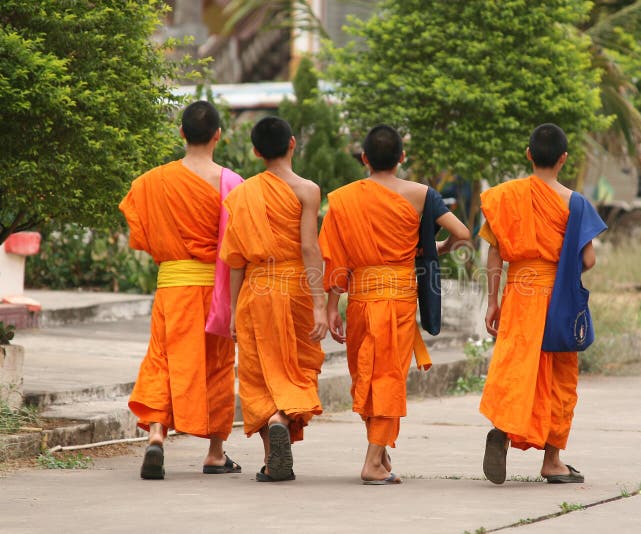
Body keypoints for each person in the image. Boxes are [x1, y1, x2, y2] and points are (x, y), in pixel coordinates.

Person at [319, 125, 470, 484]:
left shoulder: (343, 199)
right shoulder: (422, 195)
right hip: (399, 299)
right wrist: (439, 247)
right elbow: (462, 233)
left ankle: (378, 452)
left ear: (365, 160)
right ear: (402, 158)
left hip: (359, 299)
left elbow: (335, 260)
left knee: (367, 377)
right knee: (387, 377)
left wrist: (329, 309)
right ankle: (374, 461)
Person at [120, 101, 241, 480]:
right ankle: (215, 452)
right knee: (218, 366)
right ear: (218, 135)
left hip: (173, 287)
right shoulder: (232, 183)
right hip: (217, 290)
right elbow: (241, 245)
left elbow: (139, 237)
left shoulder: (151, 181)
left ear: (182, 133)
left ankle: (157, 434)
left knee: (162, 360)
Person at [479, 123, 603, 485]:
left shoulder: (506, 197)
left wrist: (492, 302)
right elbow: (590, 260)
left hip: (519, 292)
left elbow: (494, 253)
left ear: (529, 154)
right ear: (563, 159)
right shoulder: (575, 204)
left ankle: (503, 428)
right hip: (558, 297)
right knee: (560, 376)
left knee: (516, 366)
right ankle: (552, 460)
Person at [220, 117, 328, 482]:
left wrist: (234, 311)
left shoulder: (243, 195)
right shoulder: (307, 190)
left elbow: (235, 261)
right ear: (293, 143)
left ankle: (272, 460)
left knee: (260, 374)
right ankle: (284, 417)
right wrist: (319, 303)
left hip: (257, 289)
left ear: (255, 151)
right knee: (296, 367)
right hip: (296, 285)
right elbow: (311, 248)